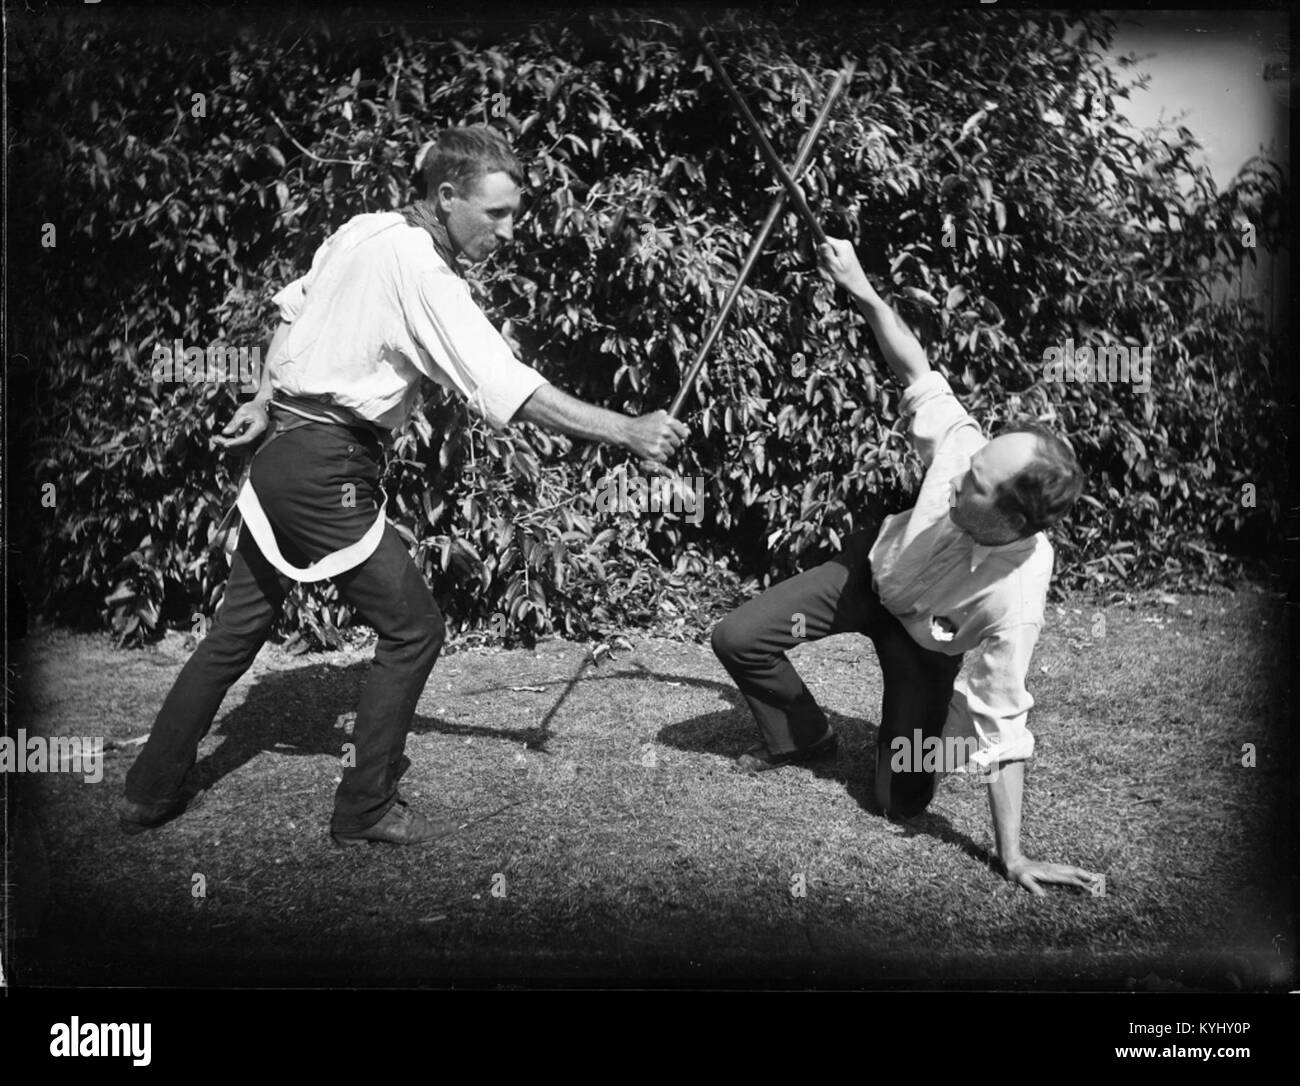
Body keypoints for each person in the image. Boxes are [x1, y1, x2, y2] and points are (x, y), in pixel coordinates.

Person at [119, 125, 688, 846]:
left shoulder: (362, 231)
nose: (510, 230)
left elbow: (289, 318)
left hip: (281, 457)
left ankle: (148, 791)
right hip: (325, 466)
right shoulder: (422, 270)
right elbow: (507, 386)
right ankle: (364, 806)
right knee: (414, 629)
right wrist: (629, 429)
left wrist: (264, 400)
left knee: (236, 632)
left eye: (516, 213)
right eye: (497, 214)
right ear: (447, 197)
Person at [710, 236, 1103, 896]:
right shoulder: (964, 448)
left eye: (976, 485)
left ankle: (924, 729)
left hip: (923, 648)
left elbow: (1005, 726)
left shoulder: (1017, 595)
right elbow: (918, 369)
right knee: (738, 638)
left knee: (900, 803)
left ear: (1013, 519)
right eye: (972, 466)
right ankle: (806, 736)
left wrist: (1013, 856)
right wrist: (861, 289)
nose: (956, 481)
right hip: (869, 578)